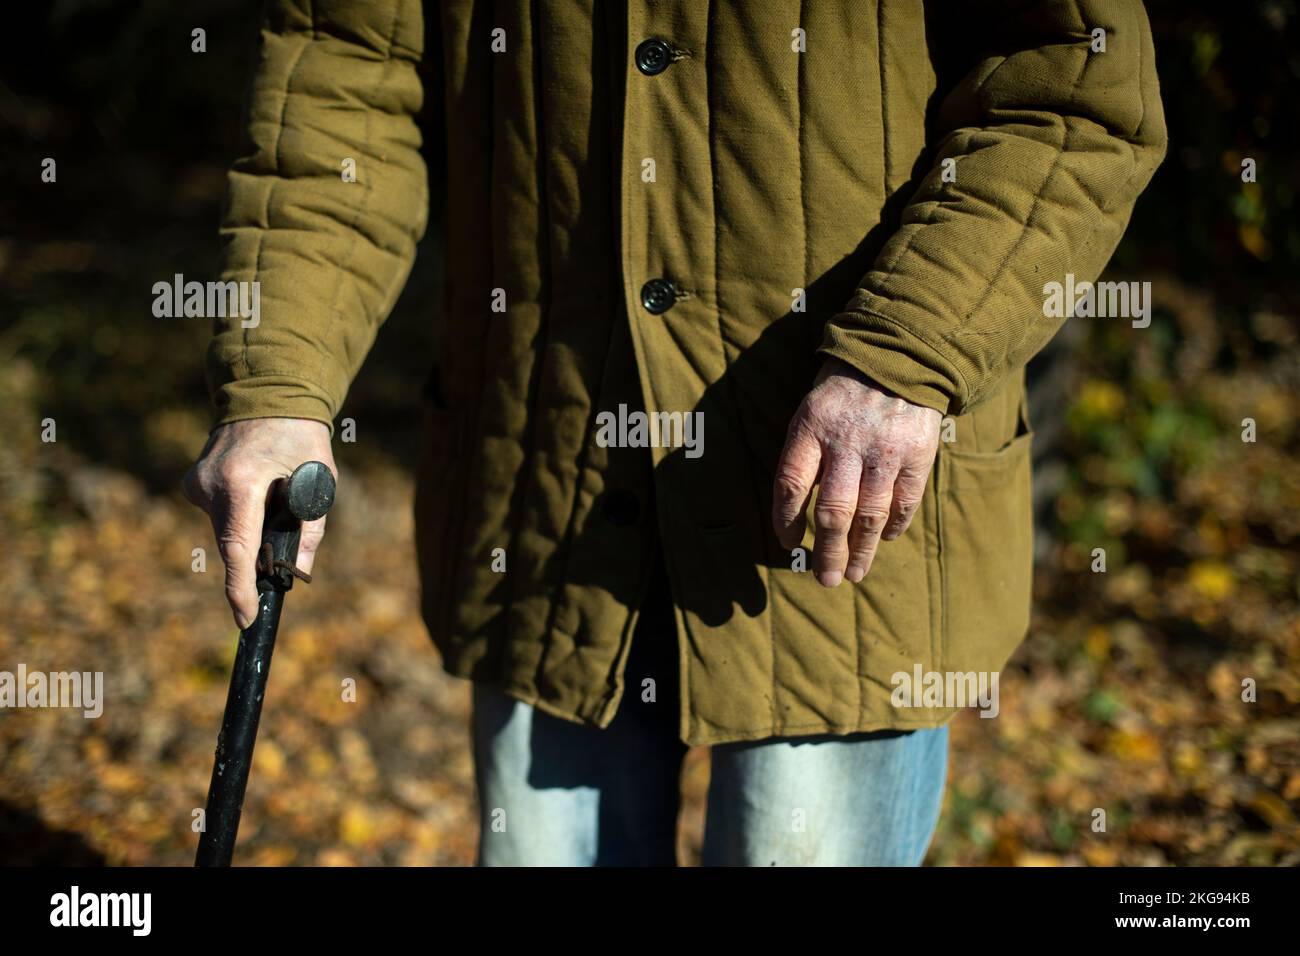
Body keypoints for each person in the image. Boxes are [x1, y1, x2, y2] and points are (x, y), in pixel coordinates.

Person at [184, 0, 1166, 866]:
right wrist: (280, 373)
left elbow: (1074, 86)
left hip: (838, 521)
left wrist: (904, 350)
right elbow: (339, 82)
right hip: (541, 489)